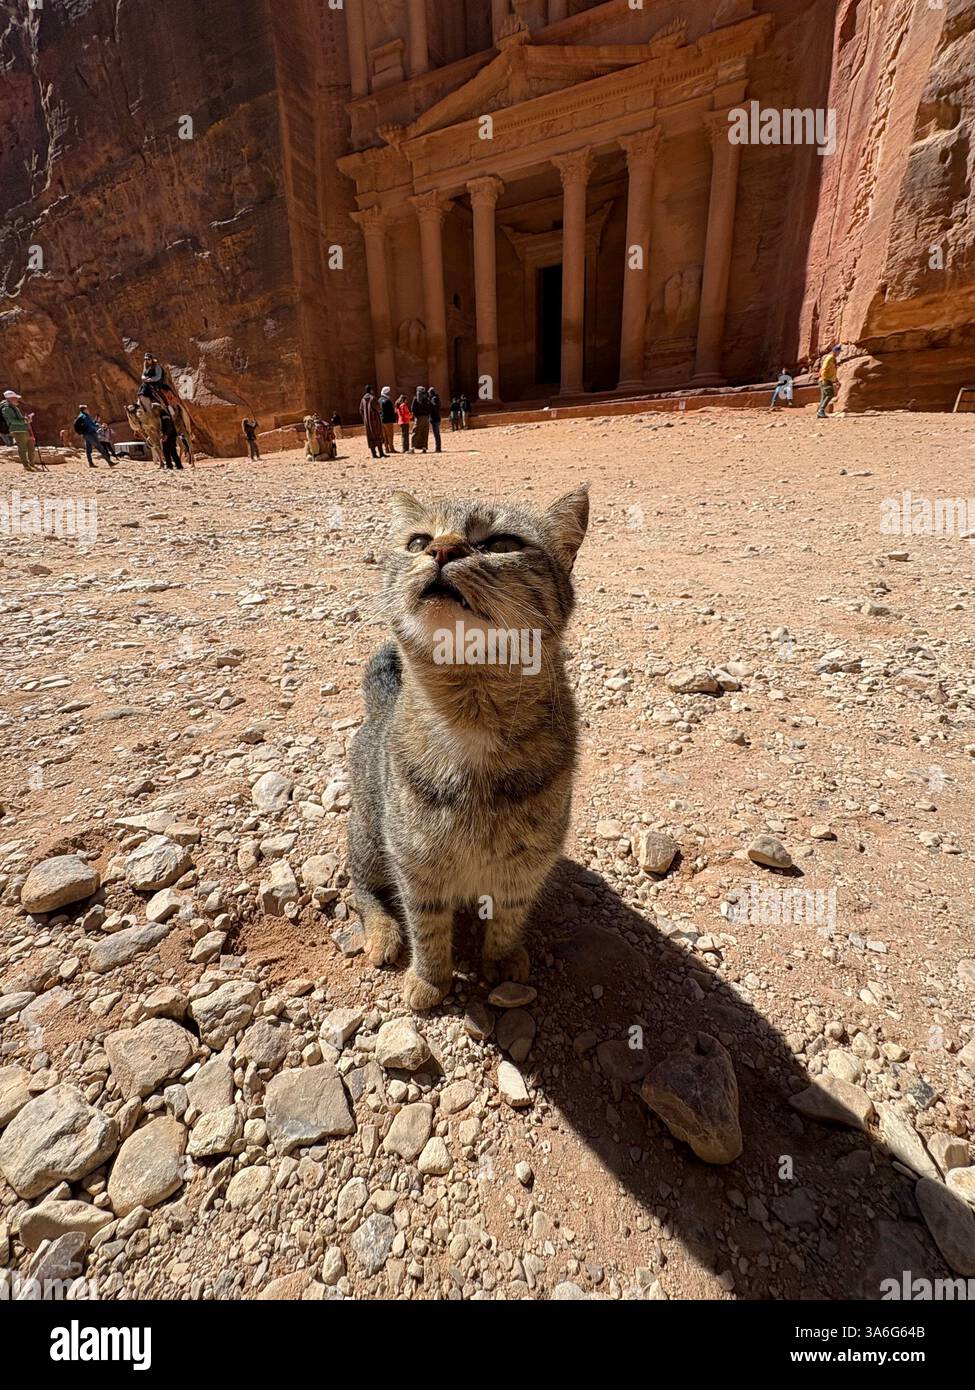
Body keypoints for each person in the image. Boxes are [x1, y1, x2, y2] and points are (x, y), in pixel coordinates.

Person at [1, 390, 40, 471]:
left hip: (23, 429)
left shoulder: (13, 407)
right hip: (17, 430)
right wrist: (25, 421)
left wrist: (26, 419)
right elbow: (12, 420)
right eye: (15, 398)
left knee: (30, 446)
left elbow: (18, 419)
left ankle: (32, 464)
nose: (17, 400)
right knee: (22, 448)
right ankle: (26, 466)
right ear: (10, 398)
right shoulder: (6, 408)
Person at [359, 385, 386, 459]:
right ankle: (381, 453)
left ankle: (374, 454)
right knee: (378, 435)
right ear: (370, 390)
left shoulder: (363, 400)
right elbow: (378, 408)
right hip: (375, 421)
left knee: (370, 436)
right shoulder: (372, 398)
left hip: (367, 422)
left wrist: (365, 418)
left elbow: (361, 410)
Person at [817, 344, 842, 419]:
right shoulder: (829, 358)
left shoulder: (833, 359)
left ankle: (820, 412)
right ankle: (821, 410)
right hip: (825, 380)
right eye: (839, 352)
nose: (839, 353)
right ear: (835, 351)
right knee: (830, 394)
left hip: (827, 379)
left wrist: (836, 380)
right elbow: (824, 369)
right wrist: (824, 379)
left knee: (824, 396)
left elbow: (832, 371)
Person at [410, 386, 431, 452]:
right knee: (424, 432)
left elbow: (413, 409)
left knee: (416, 432)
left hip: (419, 418)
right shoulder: (427, 399)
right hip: (426, 418)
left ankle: (413, 448)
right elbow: (430, 407)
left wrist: (416, 416)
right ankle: (424, 447)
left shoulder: (416, 399)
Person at [379, 387, 397, 454]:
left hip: (382, 419)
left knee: (384, 435)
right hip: (388, 420)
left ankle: (386, 449)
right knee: (390, 435)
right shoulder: (387, 400)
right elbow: (391, 411)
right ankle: (391, 448)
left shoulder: (379, 399)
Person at [428, 385, 443, 453]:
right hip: (437, 418)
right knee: (437, 434)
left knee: (436, 434)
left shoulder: (434, 399)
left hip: (434, 418)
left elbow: (434, 407)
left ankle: (438, 448)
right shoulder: (437, 398)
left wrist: (429, 404)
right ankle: (438, 447)